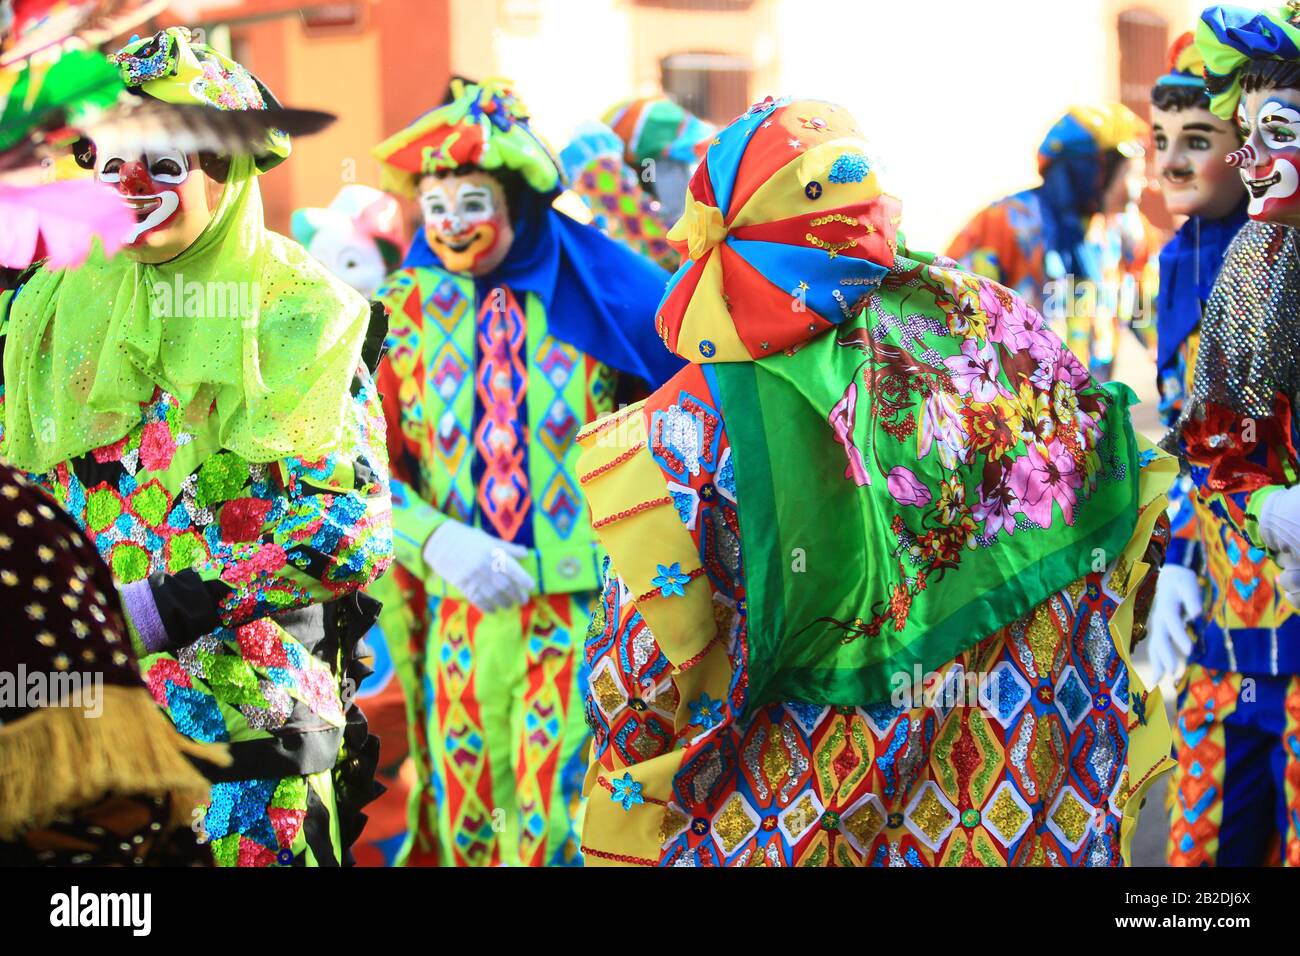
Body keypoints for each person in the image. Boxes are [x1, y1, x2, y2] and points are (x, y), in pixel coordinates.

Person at [576, 95, 1176, 867]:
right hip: (1016, 810)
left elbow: (633, 681)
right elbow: (1115, 487)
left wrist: (636, 774)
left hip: (800, 823)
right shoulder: (989, 323)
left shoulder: (684, 431)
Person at [0, 27, 394, 867]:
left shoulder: (302, 315)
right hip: (82, 745)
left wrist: (154, 606)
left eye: (166, 164)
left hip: (250, 750)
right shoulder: (43, 309)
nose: (131, 187)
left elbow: (349, 527)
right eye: (109, 164)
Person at [370, 78, 682, 866]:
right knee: (464, 813)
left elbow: (687, 438)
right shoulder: (401, 306)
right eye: (434, 208)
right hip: (456, 620)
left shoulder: (611, 293)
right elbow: (354, 463)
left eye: (471, 203)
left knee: (561, 822)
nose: (450, 228)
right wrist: (435, 541)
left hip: (584, 620)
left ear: (516, 201)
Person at [1161, 3, 1300, 867]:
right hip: (1232, 645)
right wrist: (1179, 564)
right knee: (1201, 884)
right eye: (1241, 130)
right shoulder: (1251, 266)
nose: (1246, 157)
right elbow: (1213, 450)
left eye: (1272, 131)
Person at [0, 460, 226, 865]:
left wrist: (158, 607)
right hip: (87, 746)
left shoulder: (14, 515)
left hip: (237, 738)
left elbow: (353, 540)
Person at [948, 103, 1157, 380]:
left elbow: (1152, 310)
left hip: (1092, 409)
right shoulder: (1006, 223)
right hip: (1019, 408)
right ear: (1090, 175)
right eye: (1133, 174)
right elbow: (956, 311)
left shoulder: (1124, 230)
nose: (1143, 185)